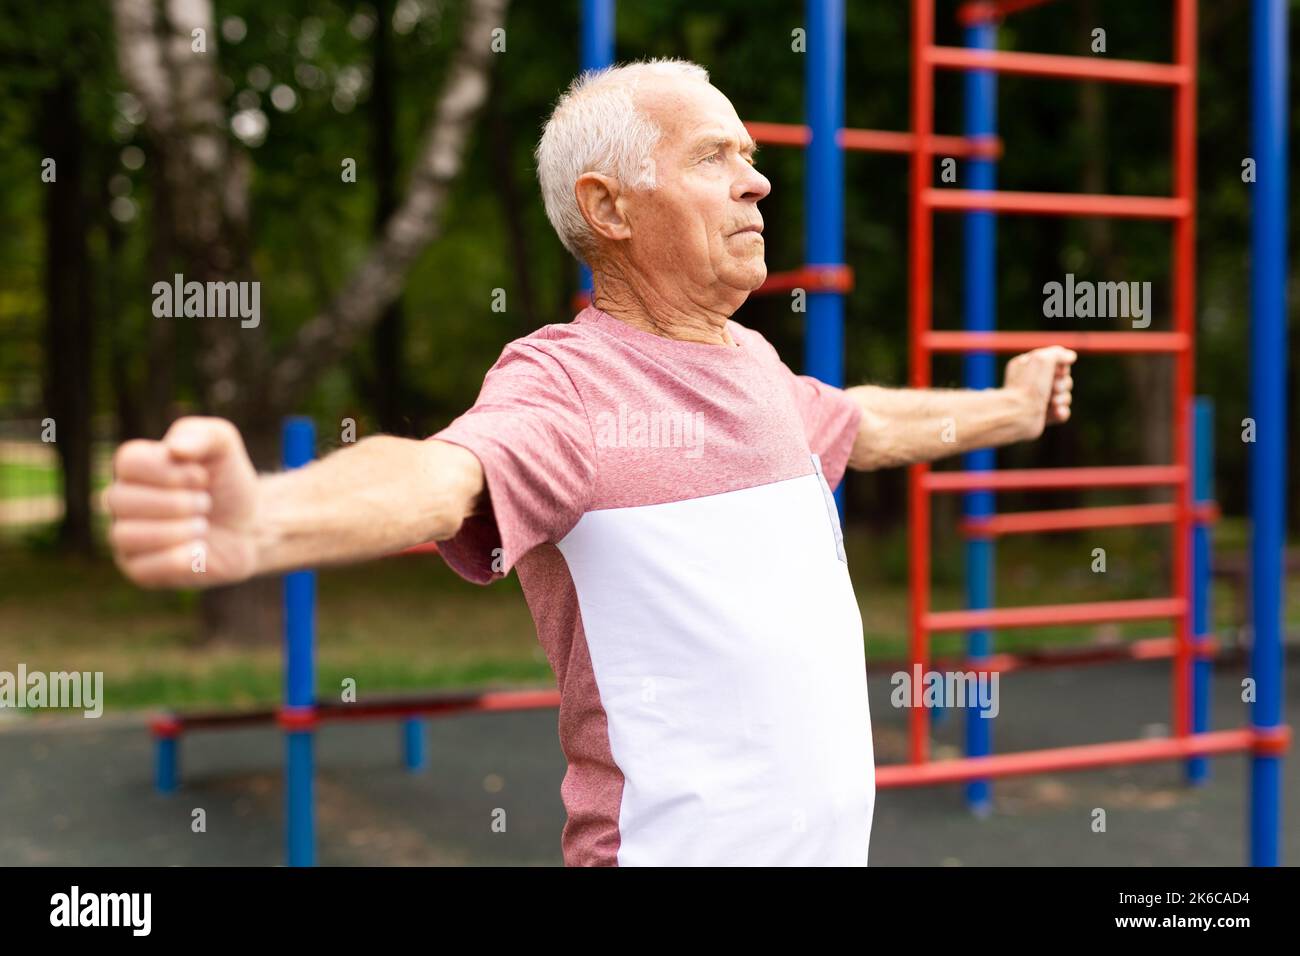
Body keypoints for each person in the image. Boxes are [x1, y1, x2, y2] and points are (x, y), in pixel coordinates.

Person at [105, 59, 1075, 866]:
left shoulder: (755, 366)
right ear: (607, 206)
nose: (757, 180)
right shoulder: (568, 383)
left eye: (750, 154)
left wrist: (1009, 408)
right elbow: (445, 475)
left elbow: (860, 421)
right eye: (713, 157)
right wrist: (263, 521)